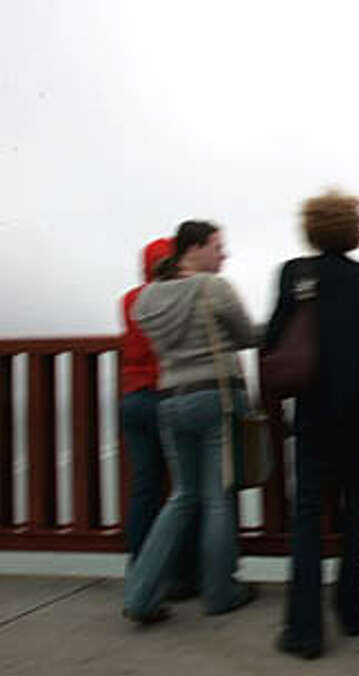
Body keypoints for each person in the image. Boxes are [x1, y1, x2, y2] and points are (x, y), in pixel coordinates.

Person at [264, 190, 359, 659]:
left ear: (311, 228)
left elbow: (276, 336)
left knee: (308, 516)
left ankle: (305, 631)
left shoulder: (296, 274)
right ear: (354, 228)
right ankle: (353, 615)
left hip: (313, 410)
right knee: (356, 508)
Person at [123, 220, 259, 622]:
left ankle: (140, 596)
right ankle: (220, 592)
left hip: (169, 399)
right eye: (218, 246)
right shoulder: (212, 288)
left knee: (181, 497)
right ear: (193, 248)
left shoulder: (145, 299)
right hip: (214, 396)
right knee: (217, 495)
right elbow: (247, 334)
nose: (223, 254)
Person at [118, 237, 201, 600]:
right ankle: (181, 577)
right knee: (185, 490)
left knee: (146, 490)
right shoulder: (175, 297)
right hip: (166, 397)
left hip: (131, 399)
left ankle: (142, 573)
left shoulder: (130, 300)